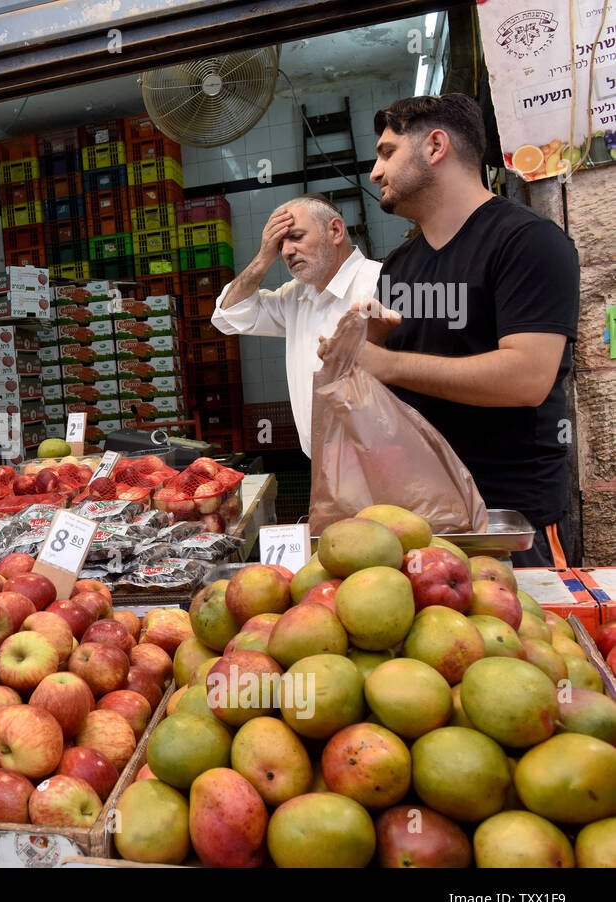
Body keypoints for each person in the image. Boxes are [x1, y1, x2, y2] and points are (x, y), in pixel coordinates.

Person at [329, 93, 579, 567]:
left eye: (386, 152)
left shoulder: (527, 242)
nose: (374, 173)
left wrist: (389, 362)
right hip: (423, 519)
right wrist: (363, 347)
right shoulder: (400, 266)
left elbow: (527, 377)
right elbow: (400, 384)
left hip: (509, 523)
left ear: (435, 146)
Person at [210, 195, 382, 456]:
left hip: (383, 460)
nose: (286, 251)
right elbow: (228, 315)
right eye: (280, 244)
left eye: (296, 236)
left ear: (335, 231)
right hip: (322, 466)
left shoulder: (380, 282)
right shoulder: (296, 297)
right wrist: (262, 257)